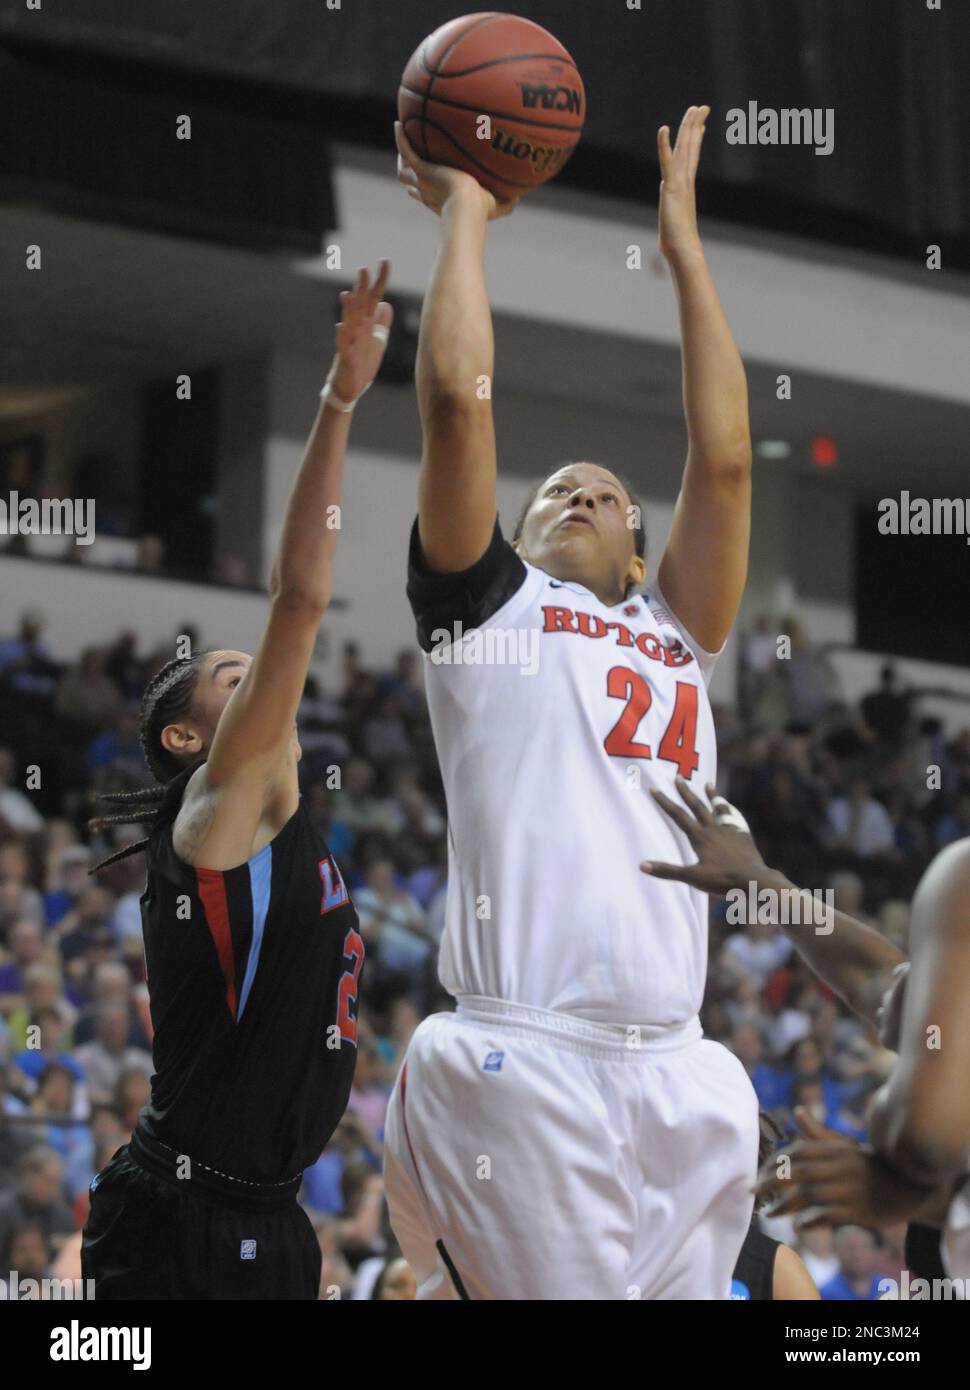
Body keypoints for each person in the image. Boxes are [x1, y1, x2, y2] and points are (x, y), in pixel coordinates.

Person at [385, 106, 758, 1300]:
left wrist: (686, 255)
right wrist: (467, 214)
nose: (580, 494)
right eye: (556, 491)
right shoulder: (485, 613)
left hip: (685, 1069)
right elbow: (456, 400)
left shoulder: (674, 629)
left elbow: (729, 461)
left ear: (644, 557)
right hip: (521, 1049)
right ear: (522, 534)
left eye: (606, 495)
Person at [79, 262, 392, 1300]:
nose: (254, 675)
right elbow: (300, 597)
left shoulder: (286, 821)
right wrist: (339, 400)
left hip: (271, 1220)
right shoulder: (220, 809)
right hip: (177, 1222)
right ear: (184, 741)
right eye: (229, 674)